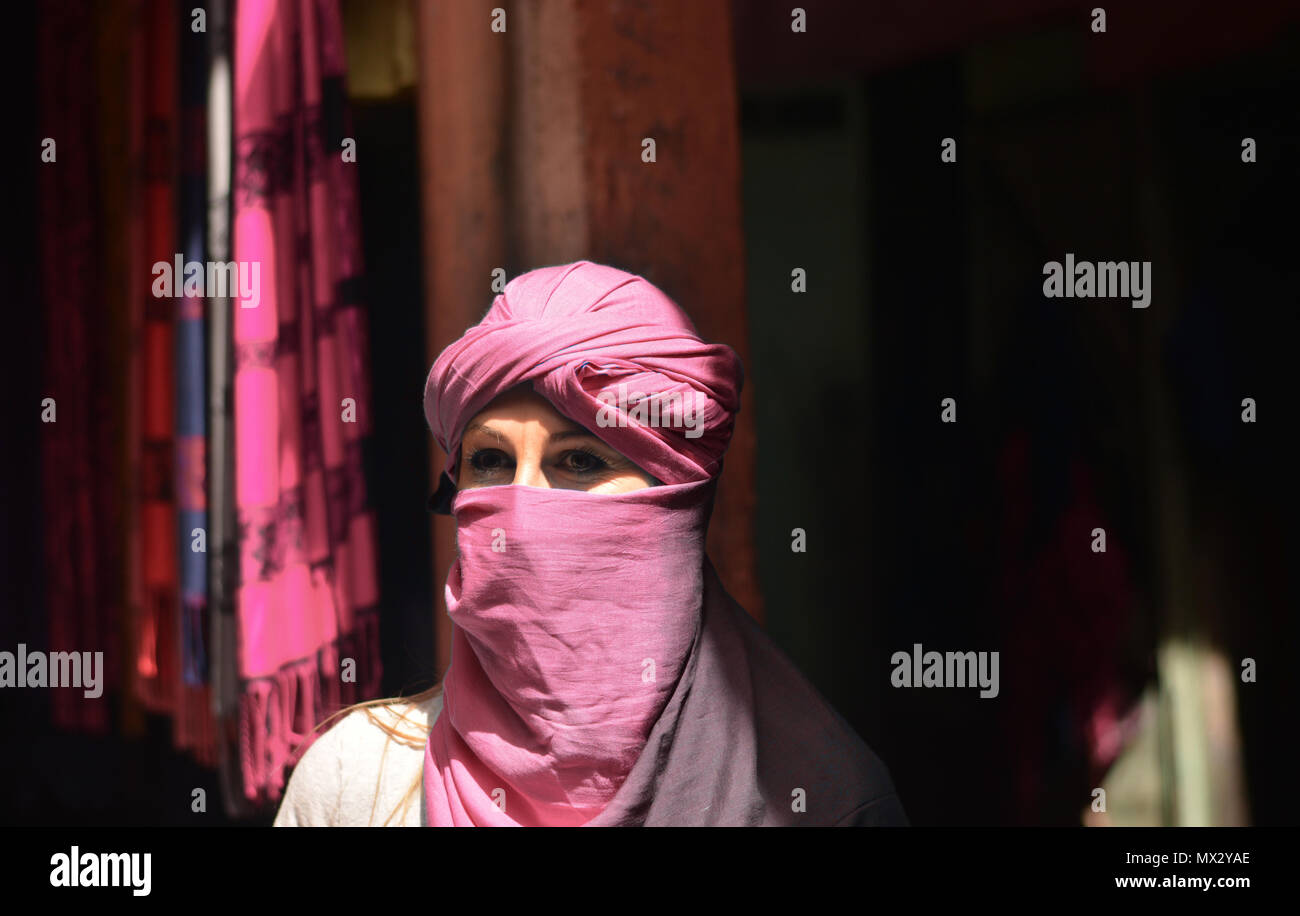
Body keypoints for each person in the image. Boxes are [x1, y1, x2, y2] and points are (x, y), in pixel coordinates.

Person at [274, 260, 907, 826]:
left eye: (580, 463)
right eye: (490, 461)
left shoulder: (817, 800)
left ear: (677, 499)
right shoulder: (356, 785)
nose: (519, 511)